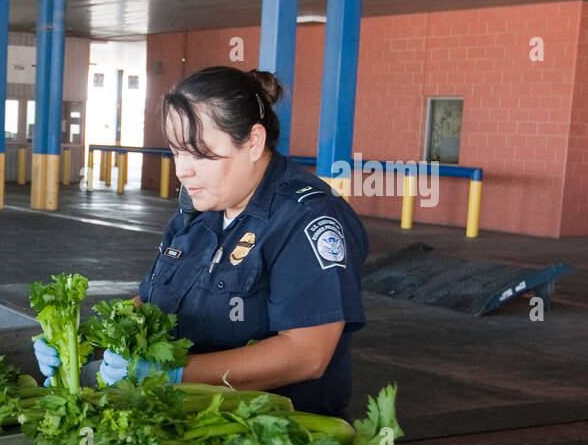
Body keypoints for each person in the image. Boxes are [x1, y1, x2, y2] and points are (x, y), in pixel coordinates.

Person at [35, 66, 368, 418]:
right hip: (183, 422)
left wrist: (176, 374)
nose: (183, 170)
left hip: (271, 438)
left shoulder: (306, 218)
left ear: (253, 143)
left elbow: (306, 354)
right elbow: (152, 301)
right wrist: (85, 341)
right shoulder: (200, 207)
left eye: (200, 154)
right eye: (177, 151)